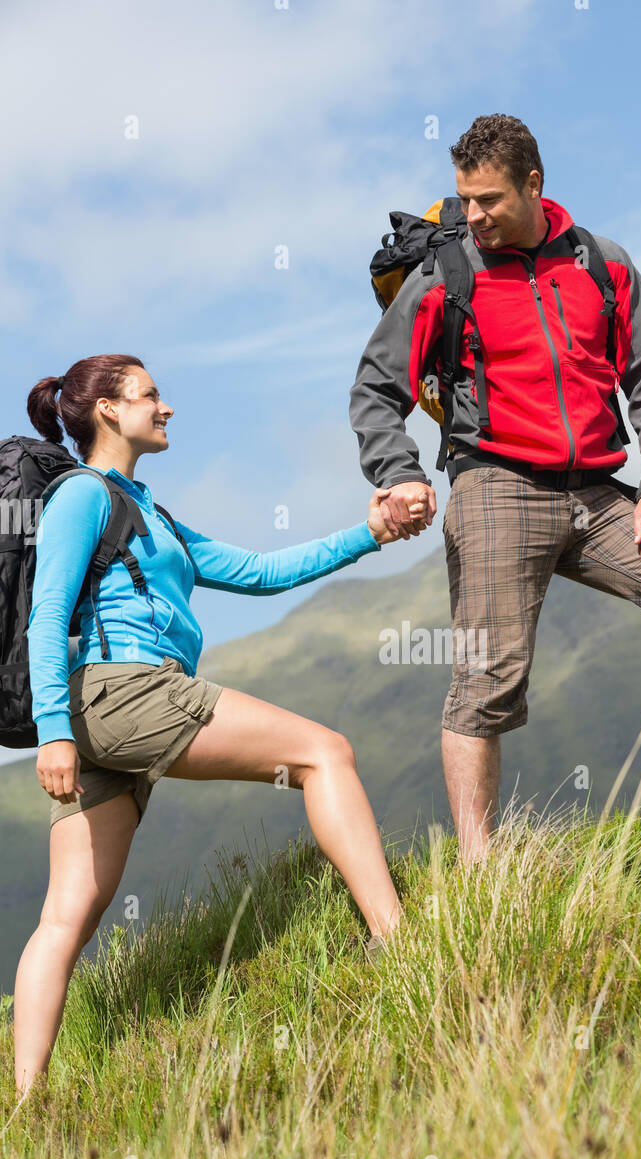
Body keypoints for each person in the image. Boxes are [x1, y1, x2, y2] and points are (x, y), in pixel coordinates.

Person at [349, 113, 641, 862]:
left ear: (534, 184)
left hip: (599, 494)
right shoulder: (444, 276)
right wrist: (397, 473)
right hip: (495, 485)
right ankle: (479, 872)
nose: (475, 216)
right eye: (464, 199)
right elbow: (375, 388)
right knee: (486, 682)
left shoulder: (604, 264)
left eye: (490, 199)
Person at [14, 353, 421, 1097]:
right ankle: (403, 950)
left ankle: (26, 1103)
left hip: (102, 712)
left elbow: (262, 572)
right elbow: (48, 613)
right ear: (107, 410)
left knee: (66, 913)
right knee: (325, 753)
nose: (166, 409)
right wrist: (52, 731)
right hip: (123, 692)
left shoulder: (151, 513)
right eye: (150, 396)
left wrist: (371, 532)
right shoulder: (81, 496)